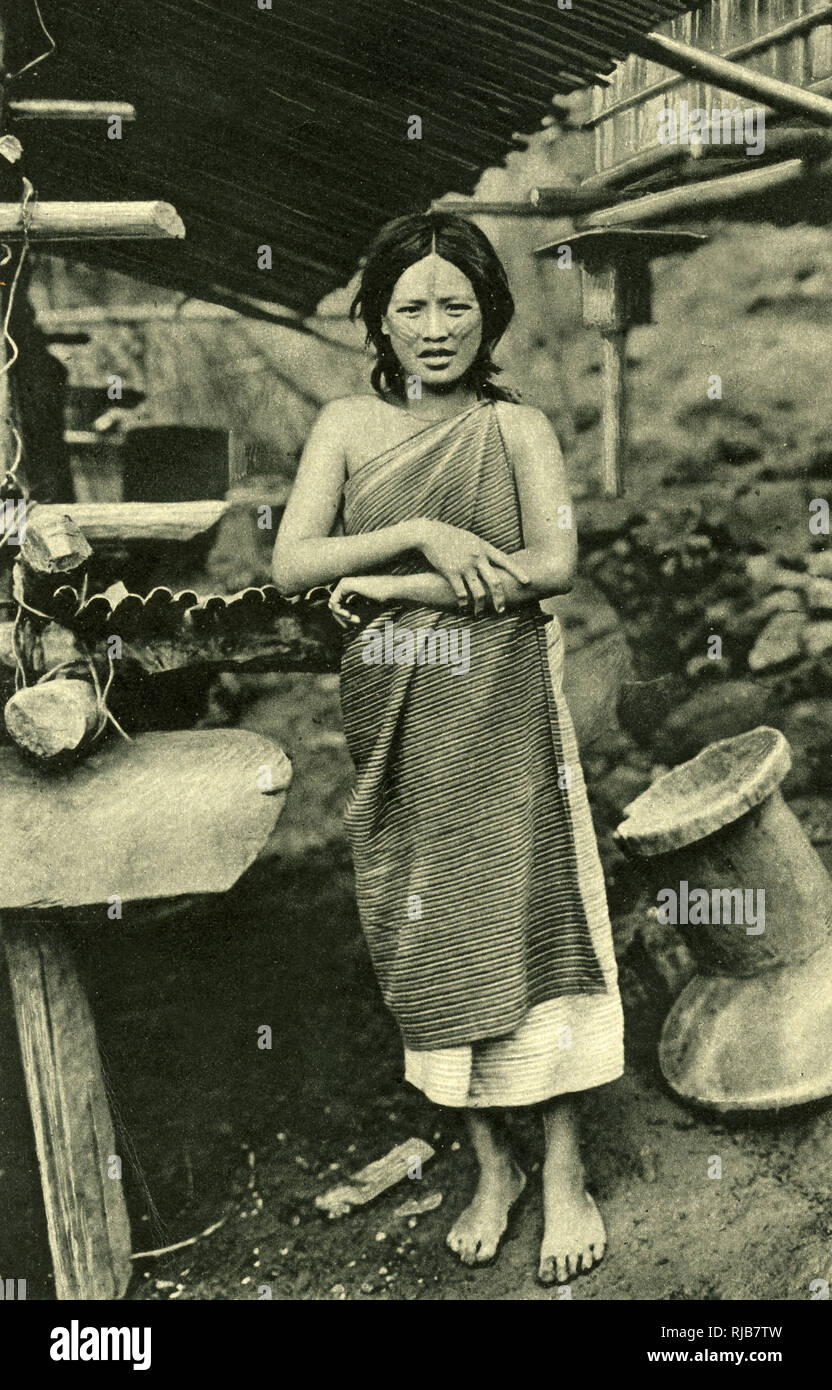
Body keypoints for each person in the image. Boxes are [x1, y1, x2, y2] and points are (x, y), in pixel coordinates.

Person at [272, 211, 623, 1284]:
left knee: (529, 910)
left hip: (504, 705)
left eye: (457, 306)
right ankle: (490, 1164)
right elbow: (294, 563)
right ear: (378, 315)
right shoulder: (341, 424)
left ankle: (561, 1168)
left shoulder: (513, 429)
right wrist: (419, 533)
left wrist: (392, 583)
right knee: (419, 925)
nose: (435, 327)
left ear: (489, 314)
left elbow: (553, 562)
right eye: (413, 306)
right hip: (395, 713)